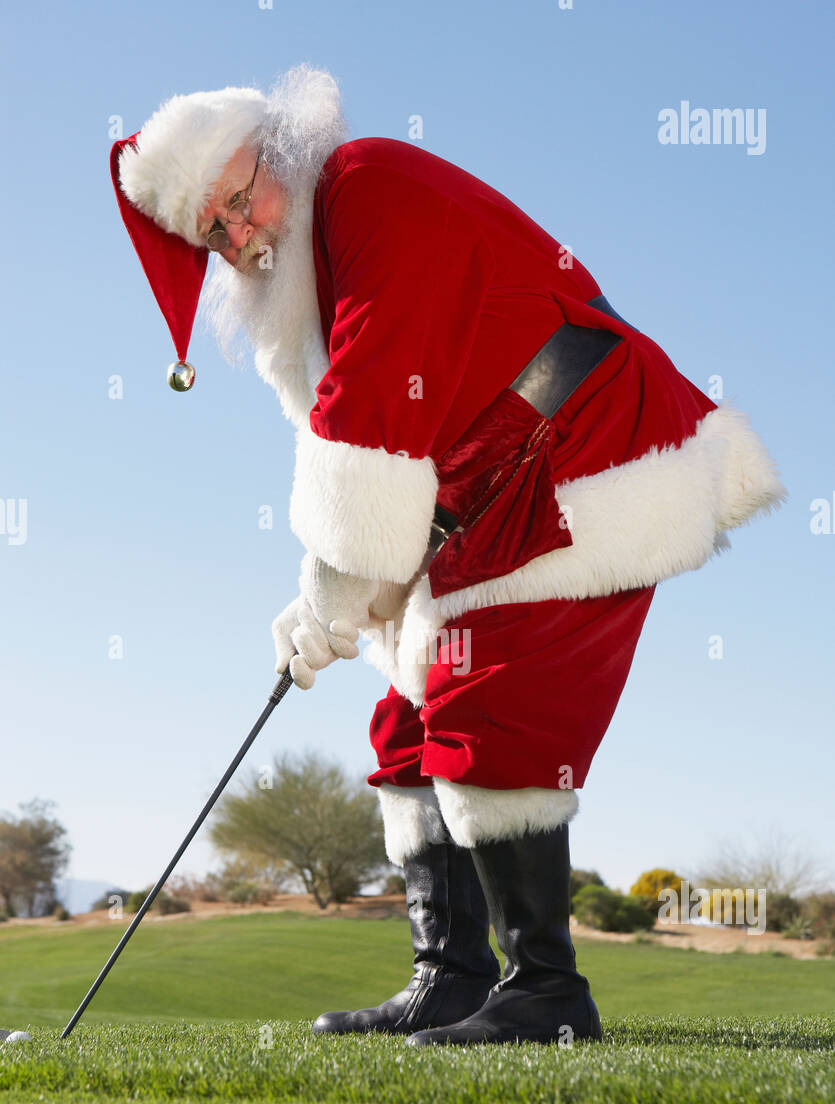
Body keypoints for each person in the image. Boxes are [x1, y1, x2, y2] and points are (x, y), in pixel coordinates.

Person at [112, 63, 787, 1046]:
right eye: (215, 231)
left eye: (239, 200)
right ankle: (451, 974)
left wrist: (327, 596)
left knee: (494, 708)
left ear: (279, 153)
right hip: (489, 488)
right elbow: (389, 457)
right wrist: (326, 607)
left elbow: (374, 414)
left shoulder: (366, 189)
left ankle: (546, 990)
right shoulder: (316, 247)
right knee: (410, 712)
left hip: (586, 450)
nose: (240, 234)